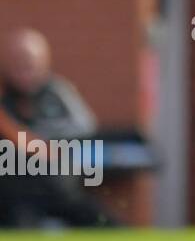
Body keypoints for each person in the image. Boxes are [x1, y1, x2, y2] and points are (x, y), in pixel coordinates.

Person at [0, 28, 115, 227]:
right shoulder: (4, 99)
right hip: (14, 193)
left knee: (101, 222)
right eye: (18, 62)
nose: (24, 69)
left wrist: (49, 142)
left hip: (59, 185)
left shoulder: (58, 92)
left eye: (29, 62)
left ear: (44, 62)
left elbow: (86, 127)